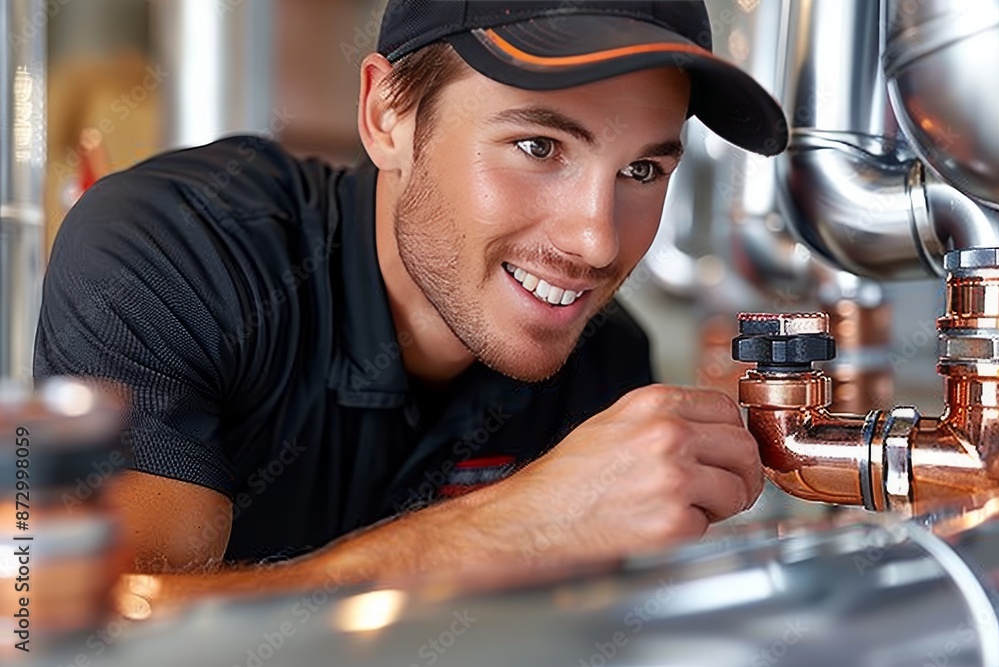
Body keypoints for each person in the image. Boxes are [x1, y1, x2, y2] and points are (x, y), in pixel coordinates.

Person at [34, 0, 787, 605]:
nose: (595, 241)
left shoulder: (605, 363)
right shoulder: (173, 255)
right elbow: (99, 629)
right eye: (538, 146)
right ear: (386, 114)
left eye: (643, 170)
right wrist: (513, 526)